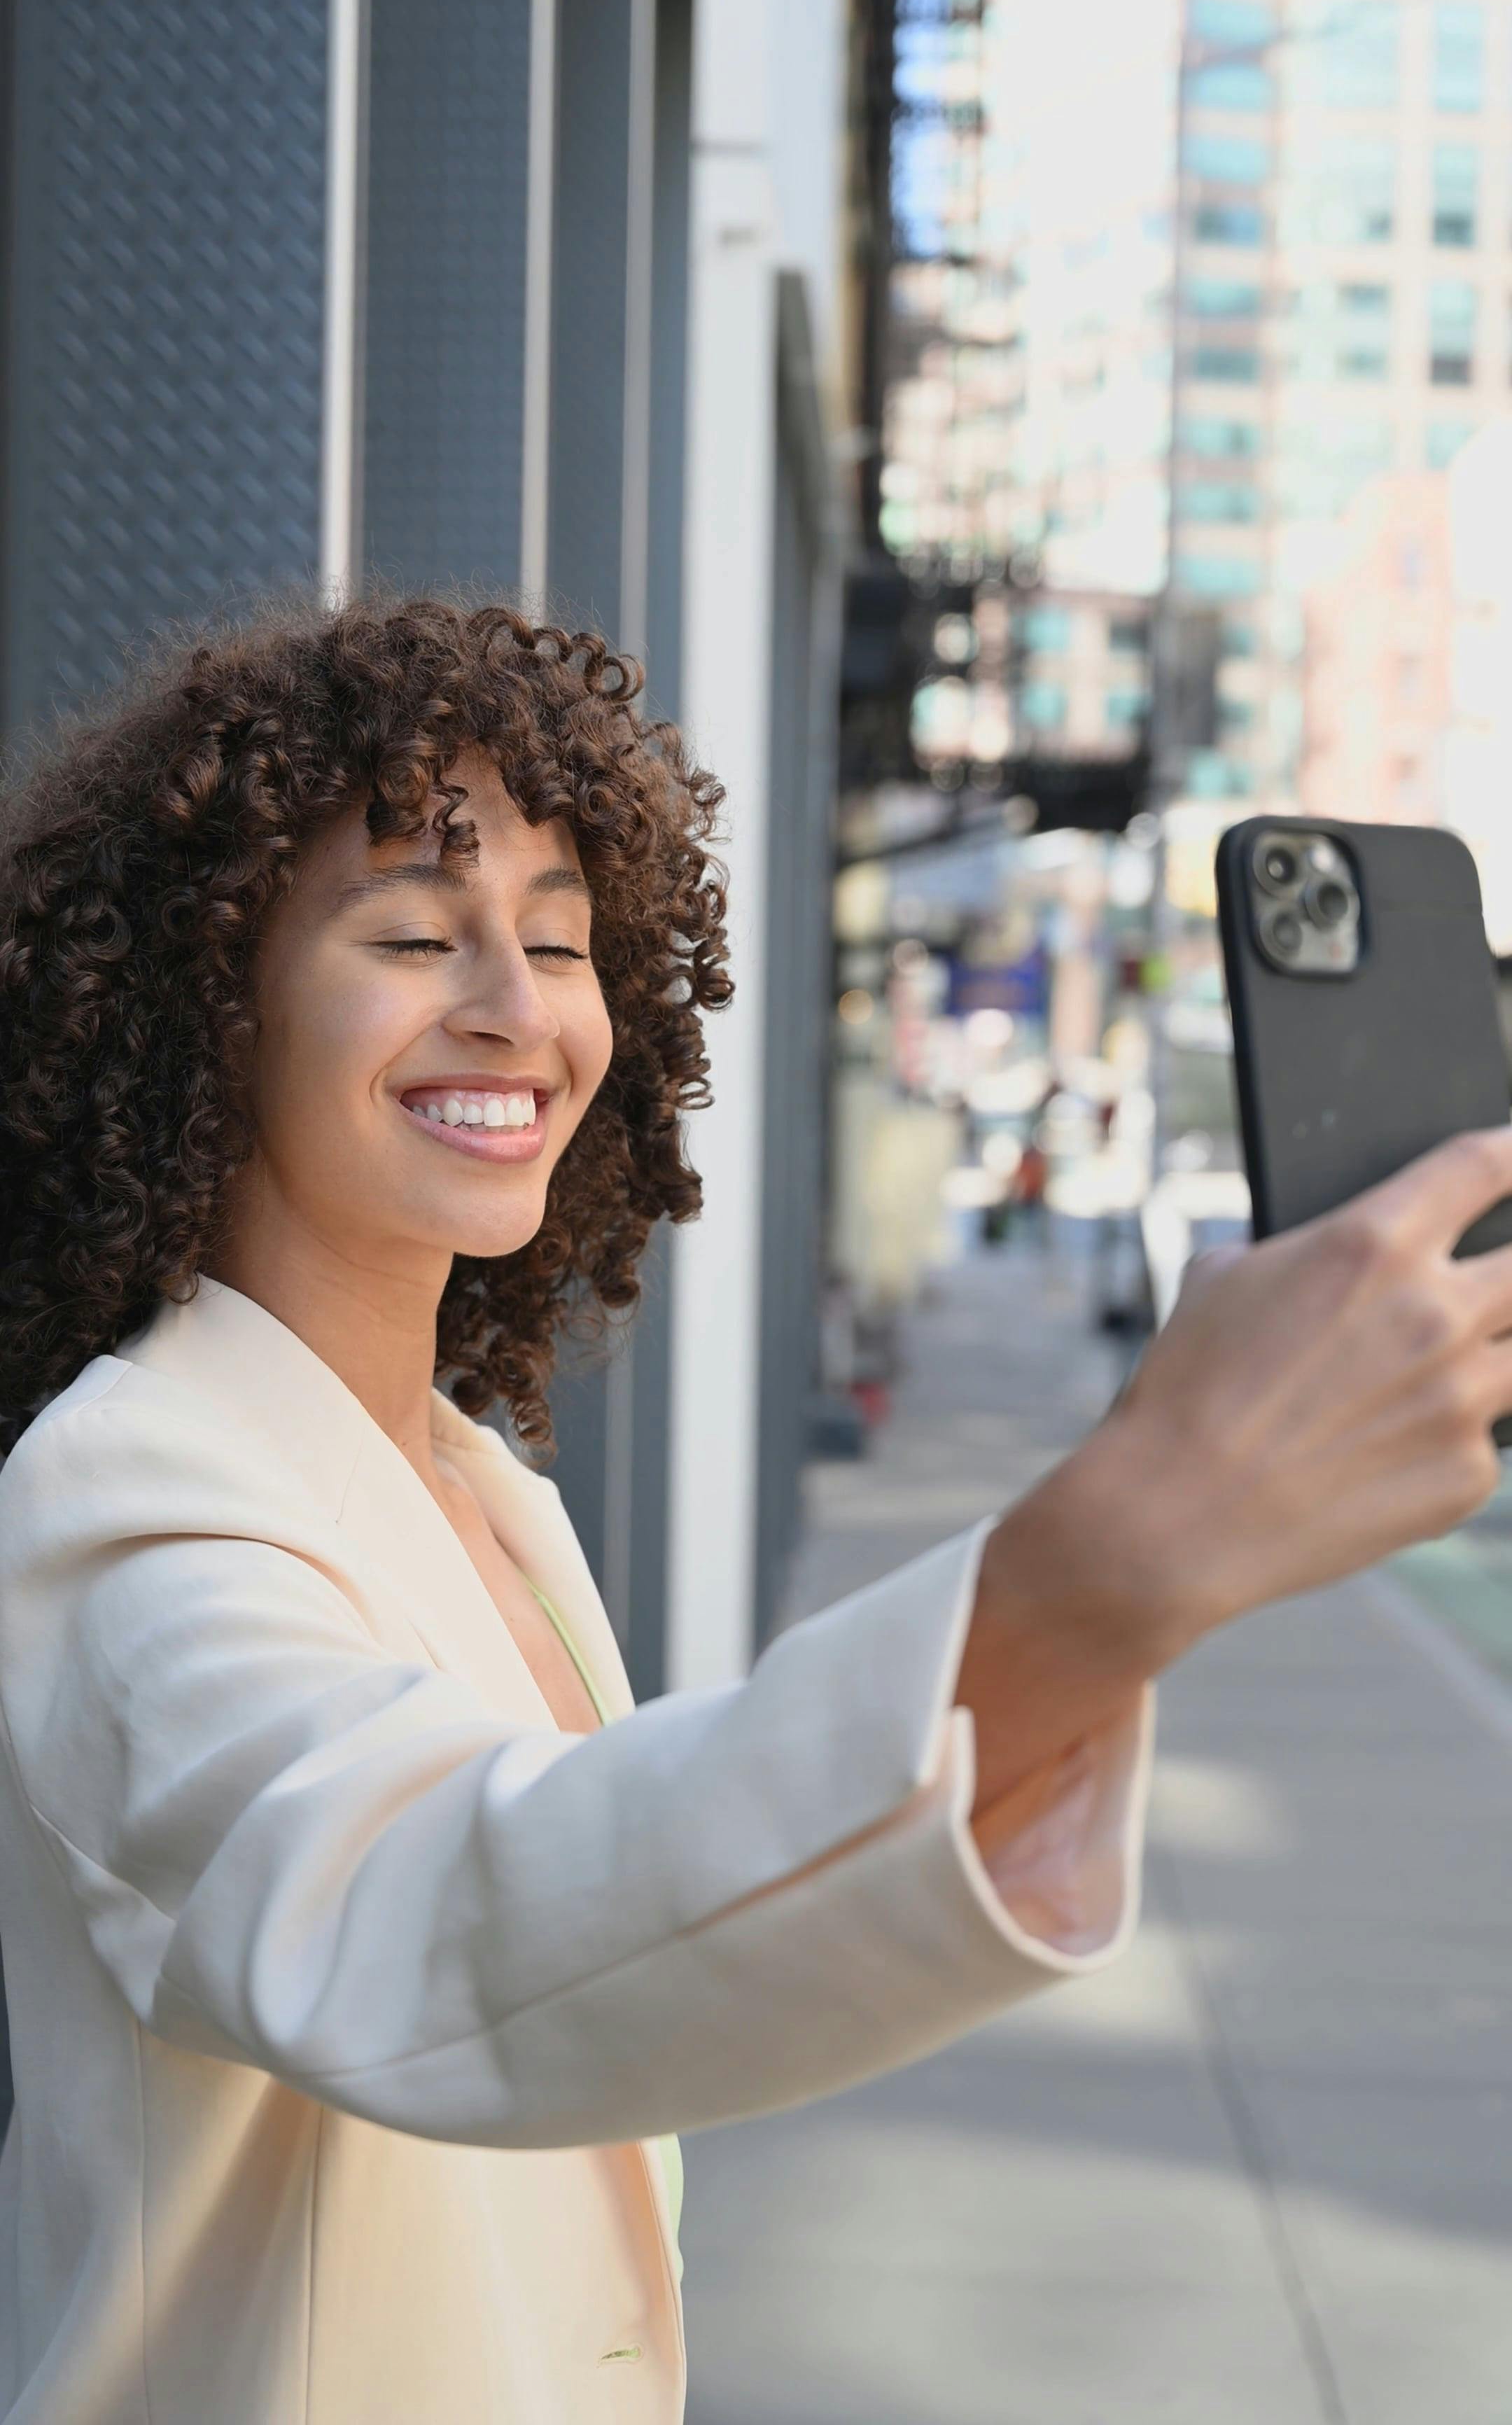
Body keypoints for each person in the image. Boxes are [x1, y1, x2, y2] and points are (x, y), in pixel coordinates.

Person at [0, 593, 1508, 2425]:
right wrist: (1116, 1558)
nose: (513, 1009)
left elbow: (633, 1977)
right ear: (205, 1004)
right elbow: (456, 1913)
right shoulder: (124, 1484)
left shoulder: (474, 1484)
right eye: (413, 932)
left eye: (560, 943)